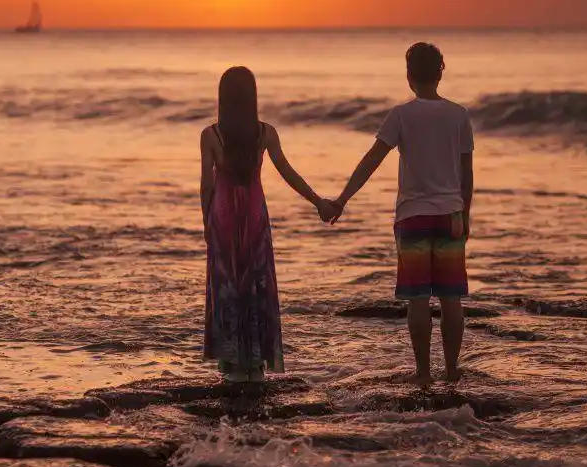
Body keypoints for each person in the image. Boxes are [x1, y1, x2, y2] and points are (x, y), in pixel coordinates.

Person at [328, 43, 474, 385]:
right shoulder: (459, 115)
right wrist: (465, 214)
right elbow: (467, 173)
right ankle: (452, 371)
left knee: (418, 299)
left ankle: (423, 373)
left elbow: (371, 160)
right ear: (441, 72)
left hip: (412, 216)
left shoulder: (401, 115)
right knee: (452, 298)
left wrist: (342, 198)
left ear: (409, 76)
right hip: (451, 213)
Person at [201, 66, 338, 383]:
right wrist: (318, 201)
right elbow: (287, 172)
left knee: (227, 286)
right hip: (255, 216)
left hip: (223, 218)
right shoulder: (265, 133)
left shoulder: (211, 135)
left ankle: (232, 364)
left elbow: (206, 185)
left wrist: (207, 221)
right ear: (252, 98)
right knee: (257, 283)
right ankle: (255, 365)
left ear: (223, 97)